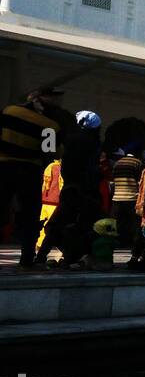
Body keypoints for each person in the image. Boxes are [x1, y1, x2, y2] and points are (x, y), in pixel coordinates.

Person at [0, 86, 67, 269]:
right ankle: (27, 259)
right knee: (30, 216)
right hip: (29, 171)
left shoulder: (9, 111)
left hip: (3, 167)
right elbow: (52, 152)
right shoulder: (50, 126)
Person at [110, 148, 144, 246]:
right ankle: (132, 242)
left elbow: (114, 179)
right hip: (132, 197)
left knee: (119, 222)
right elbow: (140, 181)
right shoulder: (138, 163)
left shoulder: (117, 163)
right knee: (133, 222)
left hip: (117, 197)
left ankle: (119, 242)